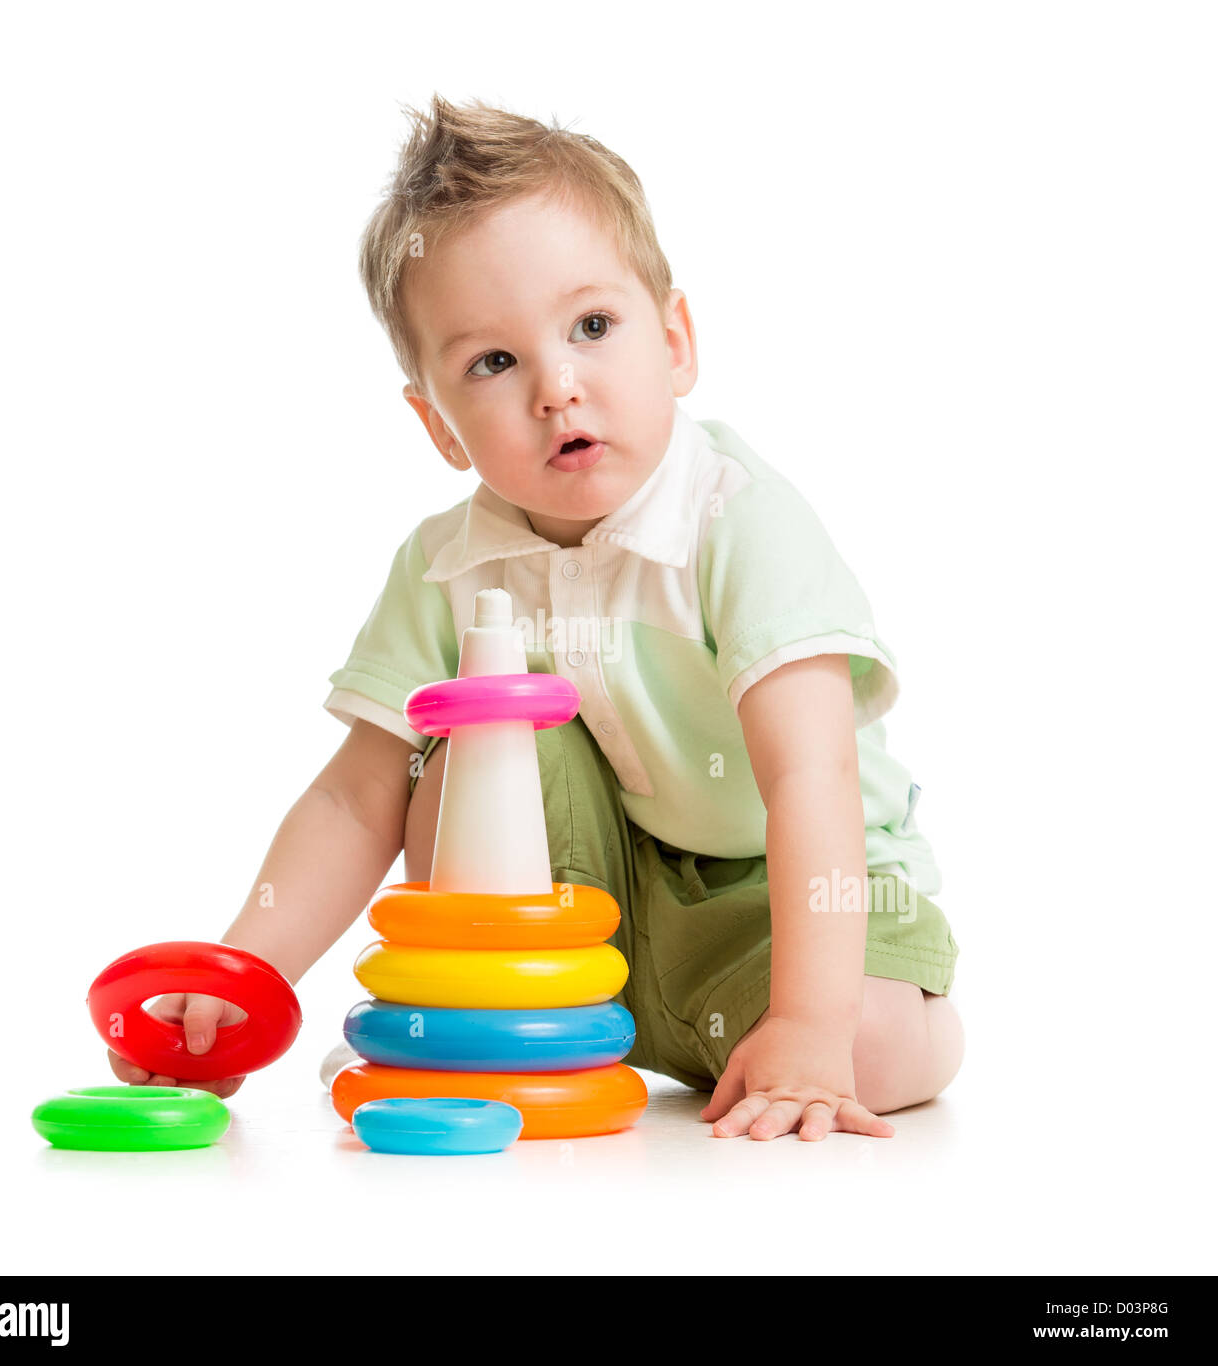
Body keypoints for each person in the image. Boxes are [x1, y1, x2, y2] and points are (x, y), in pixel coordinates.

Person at [109, 94, 963, 1142]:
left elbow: (811, 773)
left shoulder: (738, 517)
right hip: (586, 917)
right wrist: (243, 975)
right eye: (493, 363)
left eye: (593, 328)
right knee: (435, 744)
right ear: (438, 424)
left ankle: (791, 1030)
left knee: (872, 1046)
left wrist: (809, 1021)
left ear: (677, 340)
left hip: (789, 905)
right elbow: (354, 800)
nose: (557, 387)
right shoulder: (445, 565)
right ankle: (475, 1015)